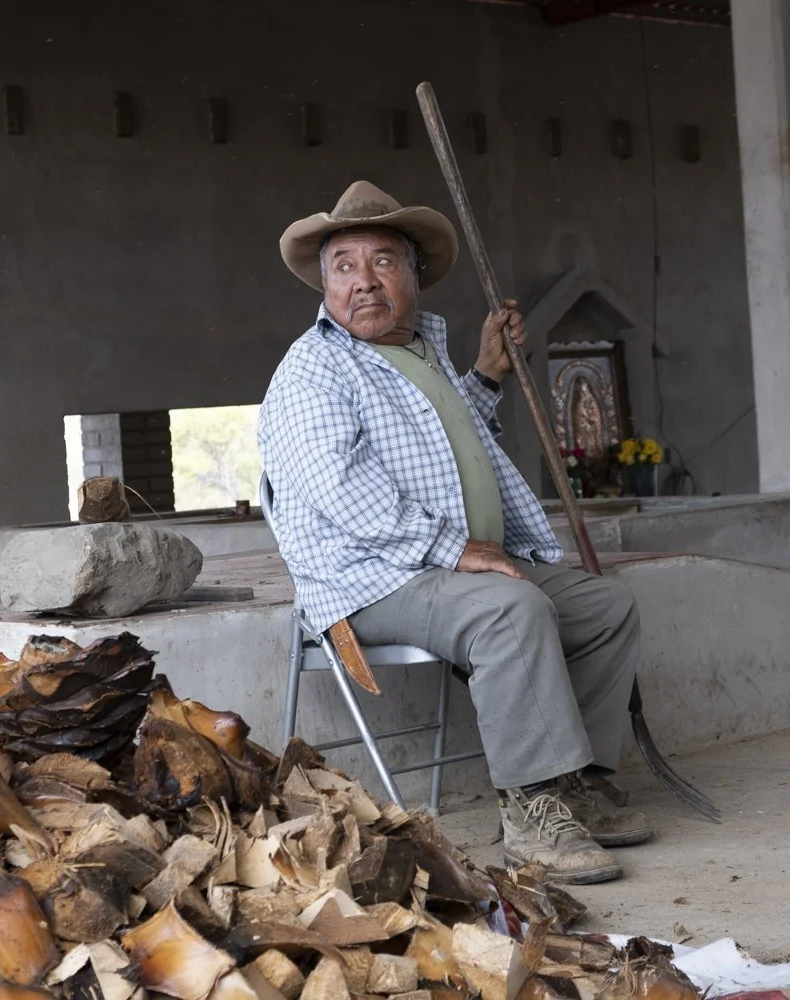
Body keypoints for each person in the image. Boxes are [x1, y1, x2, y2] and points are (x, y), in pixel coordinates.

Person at [258, 180, 651, 884]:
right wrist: (454, 548)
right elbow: (340, 489)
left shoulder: (420, 353)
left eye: (382, 261)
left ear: (415, 275)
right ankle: (531, 812)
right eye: (344, 266)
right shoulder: (313, 370)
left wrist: (489, 375)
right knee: (512, 608)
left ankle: (573, 786)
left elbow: (443, 442)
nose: (364, 281)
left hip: (440, 567)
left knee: (604, 607)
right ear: (324, 287)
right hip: (371, 576)